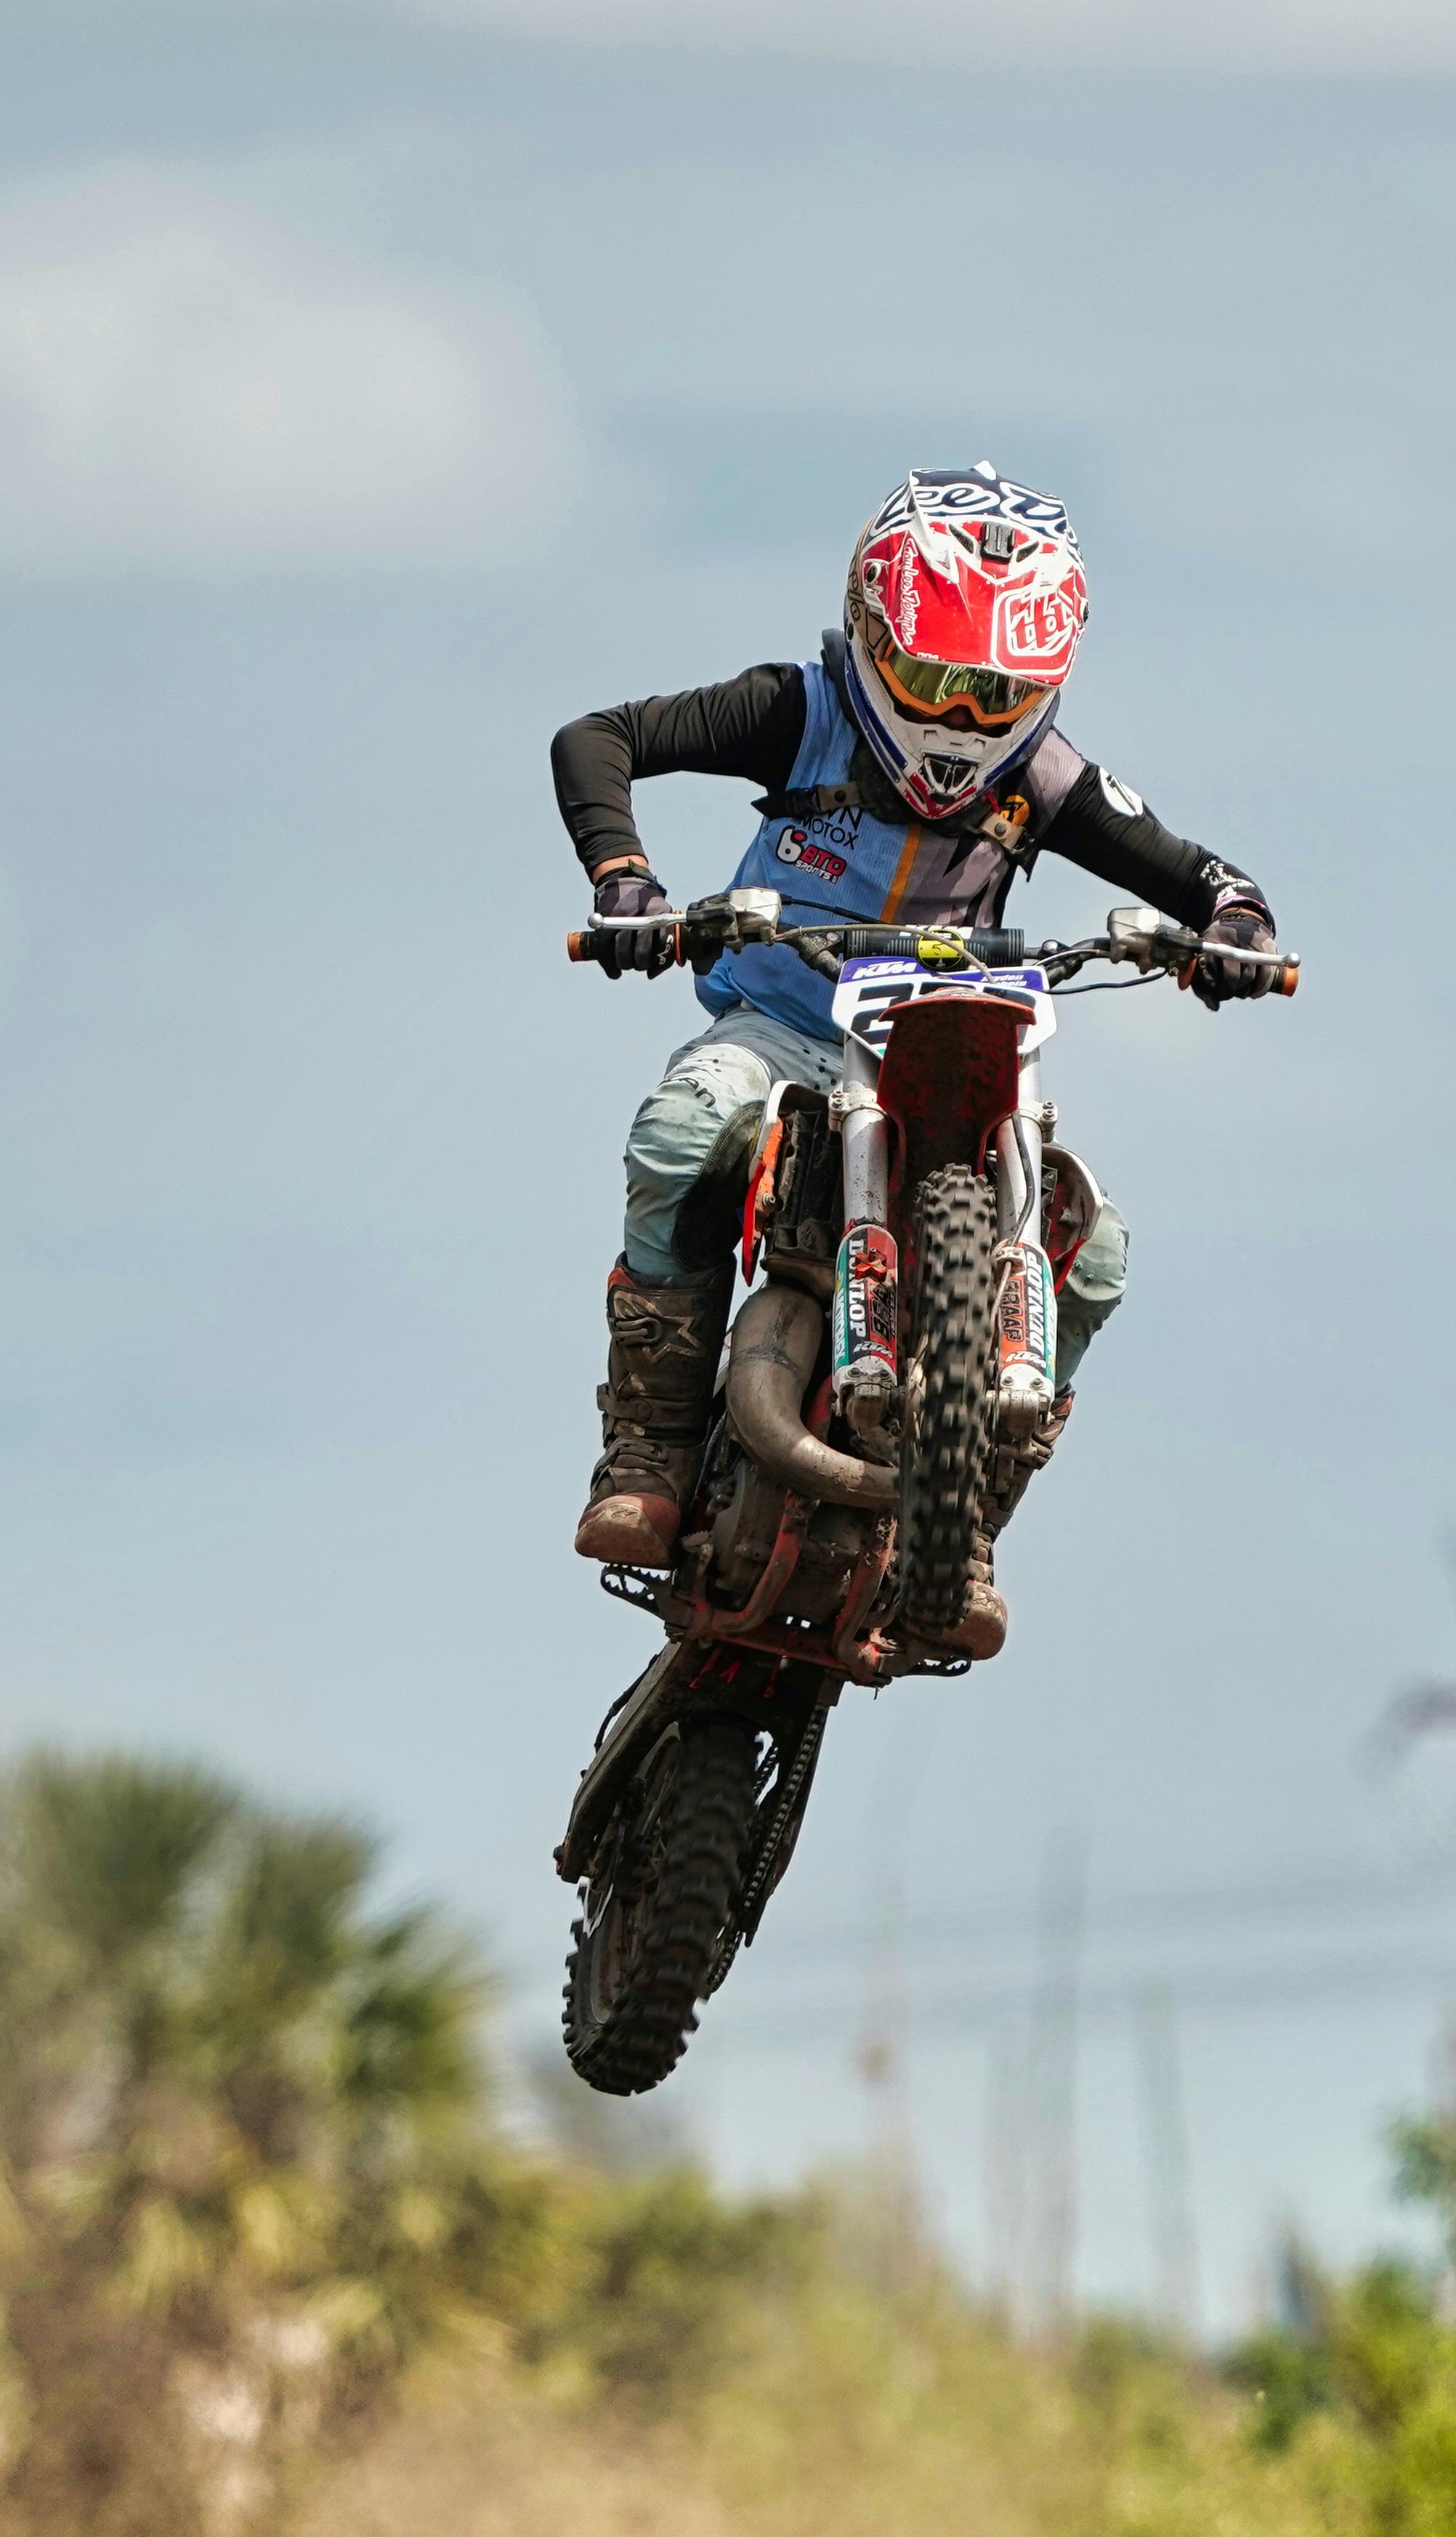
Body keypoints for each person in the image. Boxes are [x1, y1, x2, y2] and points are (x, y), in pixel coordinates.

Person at [549, 463, 1287, 1654]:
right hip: (786, 1025)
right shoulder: (797, 708)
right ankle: (646, 1444)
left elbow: (1201, 874)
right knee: (681, 1132)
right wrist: (625, 877)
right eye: (932, 680)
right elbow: (600, 738)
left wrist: (1236, 930)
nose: (955, 720)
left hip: (950, 1053)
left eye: (993, 696)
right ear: (870, 631)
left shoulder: (1045, 780)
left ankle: (969, 1522)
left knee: (1092, 1254)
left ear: (1043, 687)